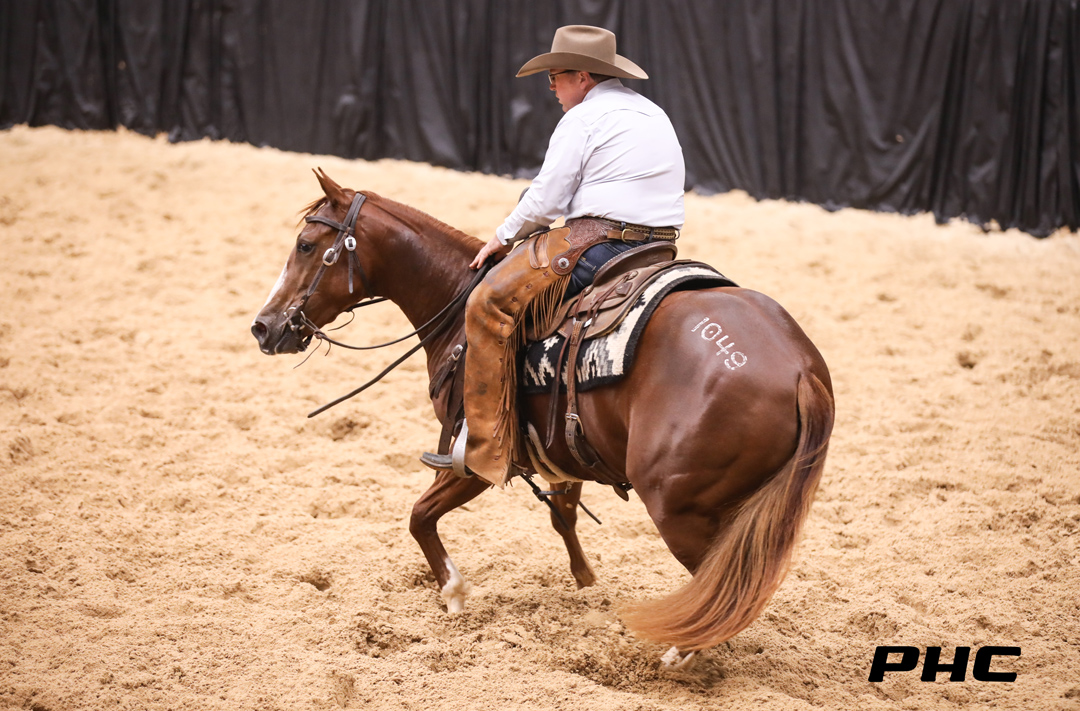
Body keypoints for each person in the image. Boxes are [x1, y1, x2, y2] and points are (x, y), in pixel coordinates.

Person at [421, 25, 686, 487]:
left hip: (599, 242)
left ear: (582, 77)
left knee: (486, 303)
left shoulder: (582, 119)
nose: (552, 89)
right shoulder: (652, 112)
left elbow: (546, 200)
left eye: (555, 78)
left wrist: (502, 237)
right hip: (659, 247)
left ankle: (485, 446)